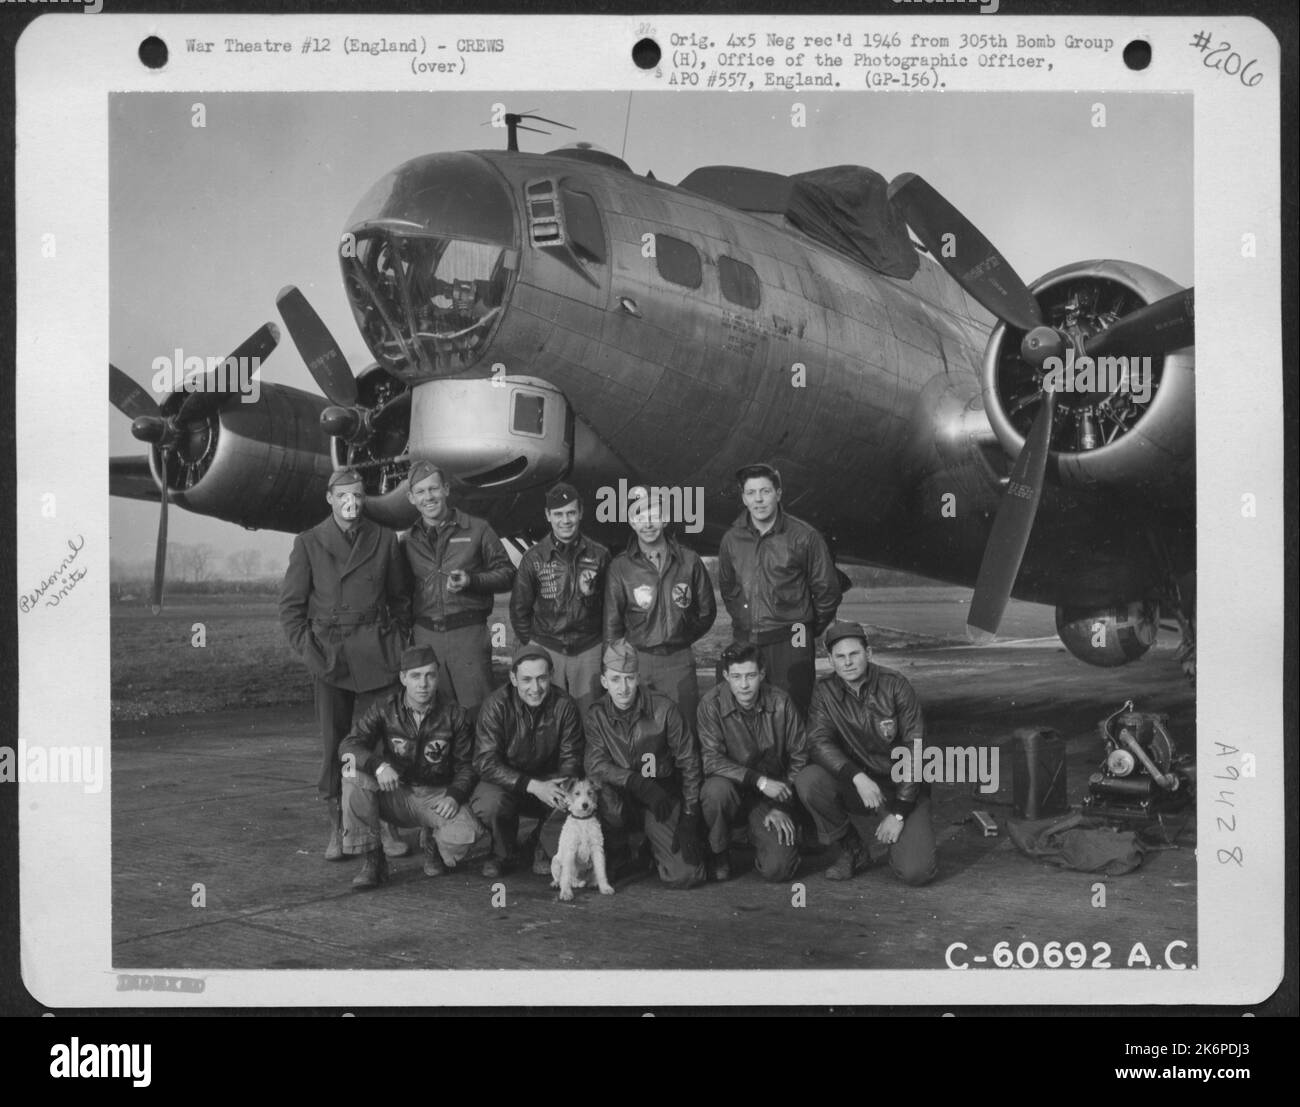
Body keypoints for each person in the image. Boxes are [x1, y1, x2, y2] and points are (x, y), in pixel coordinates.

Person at [279, 467, 411, 861]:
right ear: (330, 499)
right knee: (334, 747)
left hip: (378, 654)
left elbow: (401, 599)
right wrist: (312, 654)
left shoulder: (385, 538)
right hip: (331, 659)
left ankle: (386, 825)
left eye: (357, 494)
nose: (351, 502)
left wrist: (397, 645)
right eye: (343, 495)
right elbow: (291, 609)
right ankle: (337, 828)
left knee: (385, 743)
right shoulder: (308, 542)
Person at [795, 622, 937, 886]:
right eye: (840, 656)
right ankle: (853, 849)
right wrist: (857, 777)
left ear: (868, 654)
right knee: (809, 781)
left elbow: (916, 749)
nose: (847, 662)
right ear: (830, 660)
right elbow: (818, 741)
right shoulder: (824, 692)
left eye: (854, 654)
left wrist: (899, 813)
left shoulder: (895, 686)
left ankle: (902, 829)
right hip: (860, 785)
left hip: (902, 787)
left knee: (916, 872)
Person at [337, 645, 487, 889]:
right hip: (395, 791)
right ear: (403, 678)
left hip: (436, 796)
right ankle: (374, 860)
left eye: (430, 675)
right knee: (351, 775)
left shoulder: (455, 714)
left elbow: (467, 765)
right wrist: (378, 766)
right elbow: (347, 746)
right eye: (415, 676)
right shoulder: (384, 708)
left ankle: (433, 844)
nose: (423, 684)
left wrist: (455, 795)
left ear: (438, 676)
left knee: (465, 835)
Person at [717, 463, 841, 716]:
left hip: (791, 637)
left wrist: (805, 627)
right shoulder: (732, 538)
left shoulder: (804, 536)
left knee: (793, 710)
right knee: (748, 710)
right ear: (743, 498)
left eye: (765, 491)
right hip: (748, 636)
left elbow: (827, 590)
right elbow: (729, 588)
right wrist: (744, 620)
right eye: (751, 493)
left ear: (779, 493)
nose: (759, 499)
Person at [583, 640, 706, 889]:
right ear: (605, 682)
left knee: (686, 874)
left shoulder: (664, 708)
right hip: (621, 797)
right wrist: (635, 782)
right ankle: (620, 850)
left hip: (659, 797)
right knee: (600, 790)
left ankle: (649, 848)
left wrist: (689, 815)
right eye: (616, 680)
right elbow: (594, 762)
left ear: (638, 677)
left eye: (629, 678)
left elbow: (689, 762)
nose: (623, 688)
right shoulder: (596, 714)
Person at [402, 460, 515, 719]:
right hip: (426, 636)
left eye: (433, 489)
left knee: (479, 715)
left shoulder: (477, 529)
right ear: (411, 498)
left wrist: (472, 581)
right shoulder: (407, 541)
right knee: (434, 717)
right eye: (420, 492)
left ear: (446, 489)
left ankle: (482, 761)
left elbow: (508, 574)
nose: (428, 497)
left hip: (468, 635)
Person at [696, 643, 810, 883]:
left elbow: (801, 755)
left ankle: (757, 835)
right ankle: (720, 851)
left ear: (762, 674)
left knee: (778, 869)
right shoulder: (710, 704)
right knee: (715, 790)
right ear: (726, 676)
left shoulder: (781, 702)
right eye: (736, 677)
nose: (744, 685)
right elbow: (711, 759)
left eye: (750, 676)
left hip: (771, 798)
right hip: (732, 791)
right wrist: (758, 780)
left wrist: (783, 806)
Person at [470, 643, 585, 878]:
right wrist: (532, 785)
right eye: (527, 680)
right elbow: (485, 761)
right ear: (513, 678)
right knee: (489, 802)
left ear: (551, 676)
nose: (535, 688)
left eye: (542, 679)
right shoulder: (496, 705)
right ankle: (502, 851)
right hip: (508, 782)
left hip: (549, 781)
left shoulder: (565, 706)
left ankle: (542, 843)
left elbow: (571, 759)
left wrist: (562, 787)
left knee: (573, 791)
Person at [603, 486, 716, 727]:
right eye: (640, 517)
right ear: (632, 522)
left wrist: (681, 634)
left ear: (665, 518)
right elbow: (612, 624)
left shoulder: (689, 560)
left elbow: (707, 611)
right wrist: (621, 665)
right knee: (640, 729)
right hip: (638, 660)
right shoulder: (620, 567)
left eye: (654, 515)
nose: (648, 524)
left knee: (684, 727)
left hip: (678, 659)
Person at [509, 482, 610, 715]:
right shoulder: (533, 558)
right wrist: (536, 647)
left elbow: (610, 608)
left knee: (589, 715)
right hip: (548, 646)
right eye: (559, 514)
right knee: (547, 716)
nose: (565, 521)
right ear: (548, 515)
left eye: (571, 513)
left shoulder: (600, 555)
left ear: (581, 512)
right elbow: (519, 610)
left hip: (588, 648)